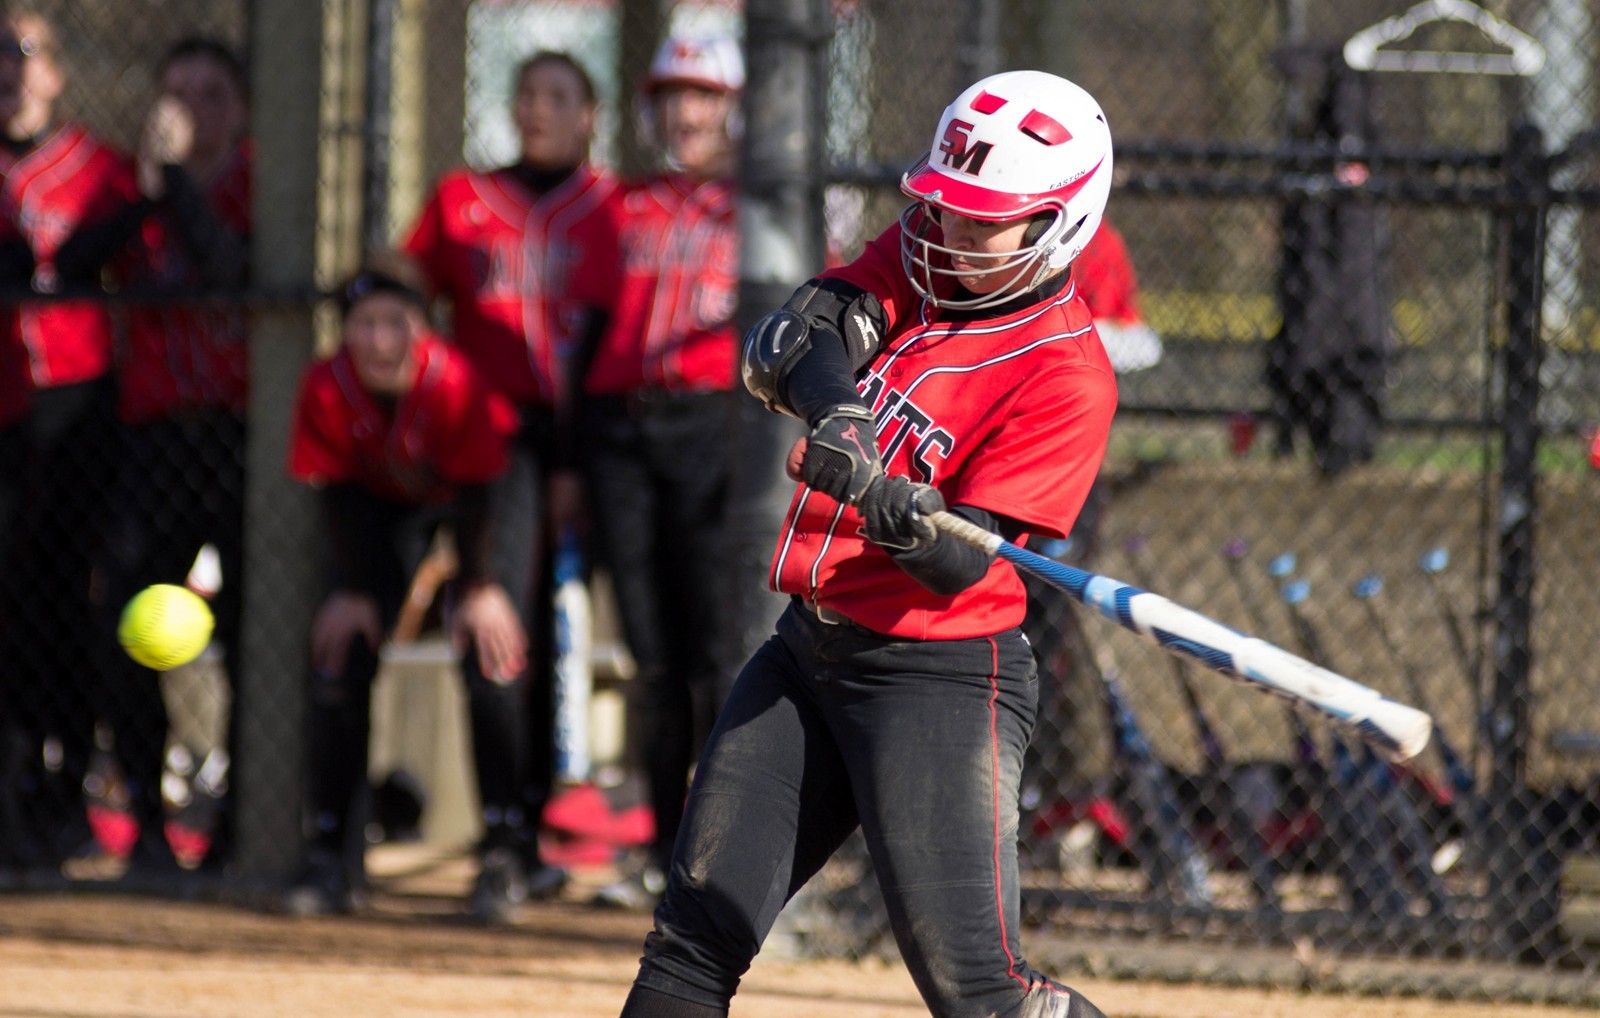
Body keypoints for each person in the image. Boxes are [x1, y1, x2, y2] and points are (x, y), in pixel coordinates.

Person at [617, 69, 1117, 1018]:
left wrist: (910, 514)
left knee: (980, 992)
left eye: (986, 221)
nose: (952, 233)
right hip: (808, 652)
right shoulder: (923, 258)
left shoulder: (1068, 375)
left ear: (1060, 223)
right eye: (947, 210)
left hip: (940, 680)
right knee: (693, 936)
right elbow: (794, 337)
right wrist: (845, 422)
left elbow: (965, 561)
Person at [401, 49, 617, 920]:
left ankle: (554, 828)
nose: (537, 109)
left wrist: (574, 461)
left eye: (558, 96)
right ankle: (505, 836)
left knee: (599, 643)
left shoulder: (610, 207)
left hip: (600, 441)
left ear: (589, 115)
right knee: (495, 630)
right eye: (525, 94)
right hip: (490, 446)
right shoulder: (461, 200)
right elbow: (407, 288)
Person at [54, 35, 252, 882]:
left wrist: (173, 184)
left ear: (239, 109)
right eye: (177, 93)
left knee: (254, 633)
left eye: (211, 93)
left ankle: (246, 829)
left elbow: (224, 265)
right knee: (121, 624)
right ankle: (144, 823)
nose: (191, 110)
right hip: (156, 431)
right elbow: (69, 266)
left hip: (242, 436)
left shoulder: (253, 181)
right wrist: (145, 193)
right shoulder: (131, 186)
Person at [282, 260, 524, 918]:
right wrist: (356, 589)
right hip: (377, 513)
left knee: (491, 659)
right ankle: (330, 852)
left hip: (473, 508)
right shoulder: (325, 386)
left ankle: (503, 850)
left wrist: (478, 586)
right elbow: (337, 495)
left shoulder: (454, 382)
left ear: (421, 329)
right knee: (340, 658)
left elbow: (479, 494)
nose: (380, 341)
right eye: (364, 324)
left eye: (396, 323)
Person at [575, 34, 743, 912]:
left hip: (713, 429)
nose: (685, 114)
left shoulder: (759, 205)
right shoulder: (627, 205)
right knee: (651, 652)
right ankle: (655, 844)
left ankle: (721, 852)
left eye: (704, 96)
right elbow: (591, 329)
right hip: (625, 430)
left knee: (719, 648)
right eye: (674, 96)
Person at [0, 10, 138, 880]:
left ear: (55, 73)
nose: (11, 69)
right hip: (3, 420)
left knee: (69, 598)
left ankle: (65, 794)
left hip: (80, 409)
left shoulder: (95, 165)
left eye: (26, 53)